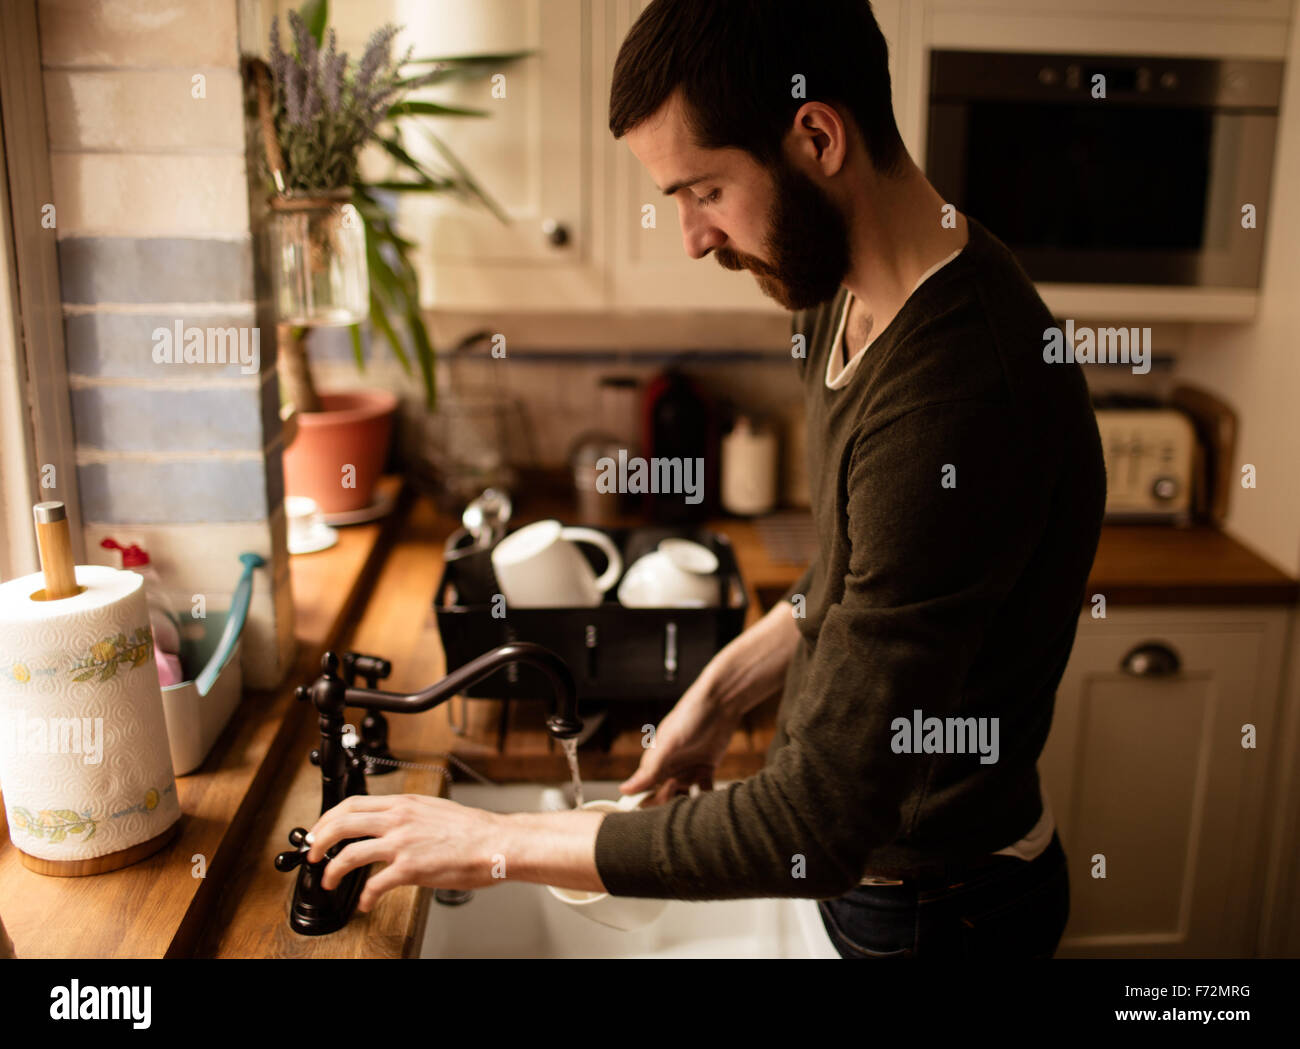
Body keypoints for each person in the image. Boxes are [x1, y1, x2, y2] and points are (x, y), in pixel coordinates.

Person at [306, 0, 1107, 959]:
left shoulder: (962, 395)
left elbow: (816, 824)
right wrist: (720, 694)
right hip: (878, 883)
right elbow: (850, 580)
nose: (691, 236)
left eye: (703, 192)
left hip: (937, 908)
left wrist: (492, 844)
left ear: (816, 134)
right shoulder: (841, 293)